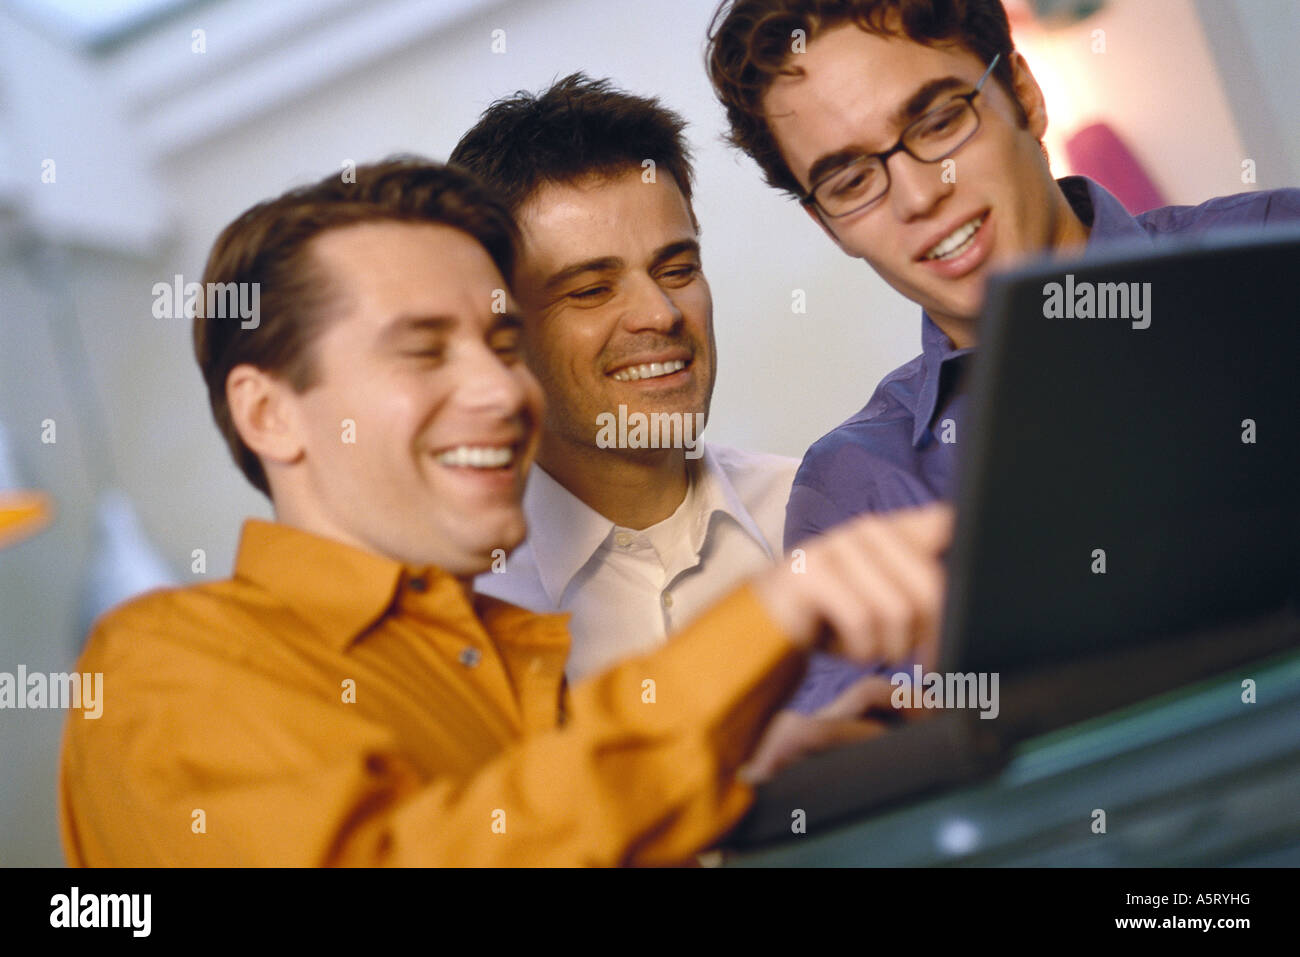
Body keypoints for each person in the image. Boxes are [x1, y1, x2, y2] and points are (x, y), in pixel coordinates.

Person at [59, 158, 952, 866]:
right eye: (423, 350)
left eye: (500, 344)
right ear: (269, 413)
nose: (501, 388)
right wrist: (766, 620)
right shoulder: (162, 664)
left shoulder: (500, 655)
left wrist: (735, 780)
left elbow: (540, 831)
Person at [706, 0, 1300, 708]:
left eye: (938, 122)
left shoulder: (1281, 245)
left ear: (1023, 93)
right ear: (826, 223)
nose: (923, 195)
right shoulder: (854, 490)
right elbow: (887, 768)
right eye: (852, 181)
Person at [450, 75, 798, 683]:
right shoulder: (464, 611)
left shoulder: (818, 512)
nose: (660, 313)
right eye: (590, 290)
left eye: (677, 268)